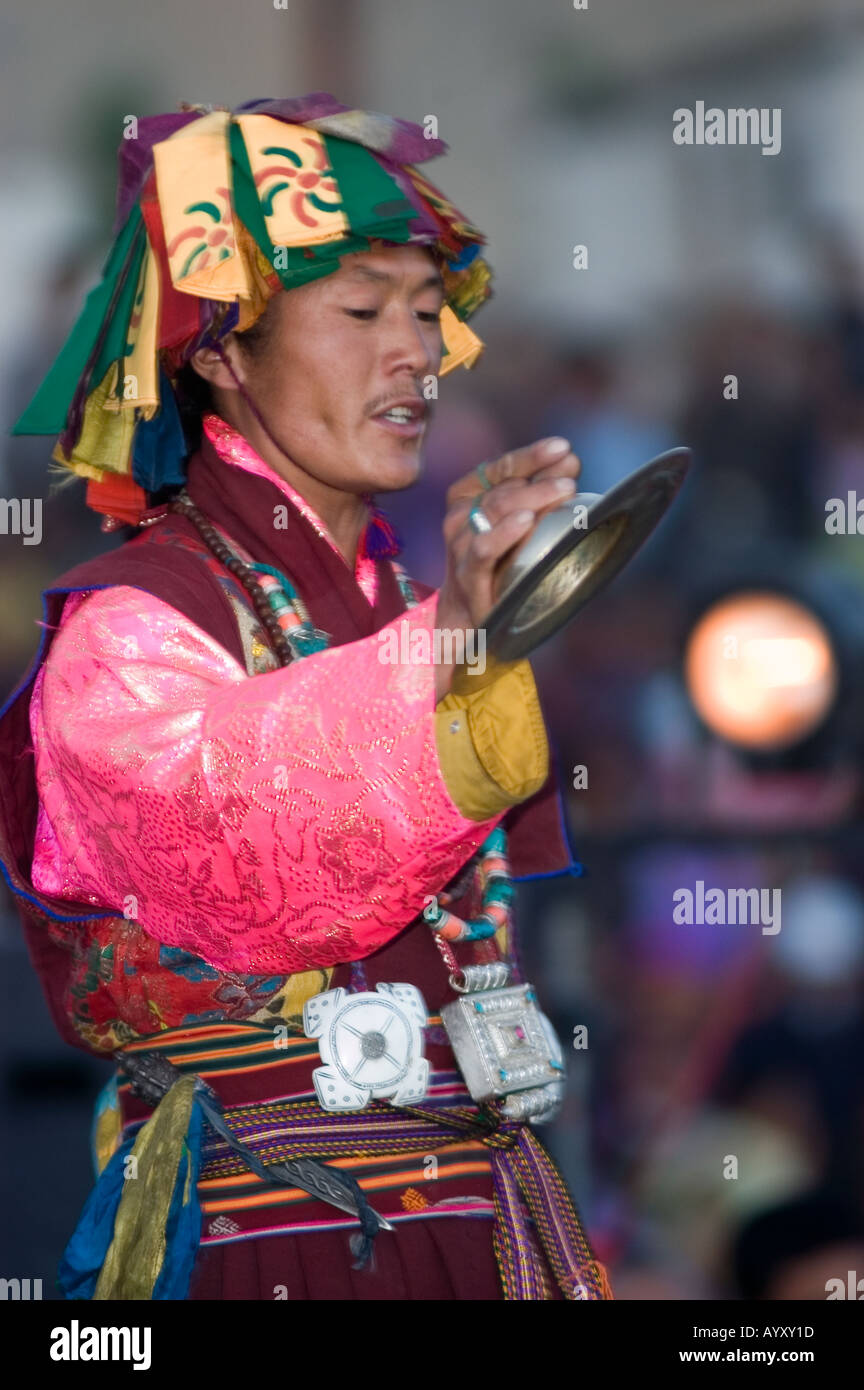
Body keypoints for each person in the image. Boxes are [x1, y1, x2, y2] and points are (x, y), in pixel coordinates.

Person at [0, 93, 611, 1301]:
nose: (417, 353)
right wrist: (450, 642)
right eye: (362, 312)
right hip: (277, 1241)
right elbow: (239, 845)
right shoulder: (130, 624)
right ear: (221, 351)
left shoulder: (416, 605)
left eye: (429, 314)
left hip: (483, 1223)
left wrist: (453, 627)